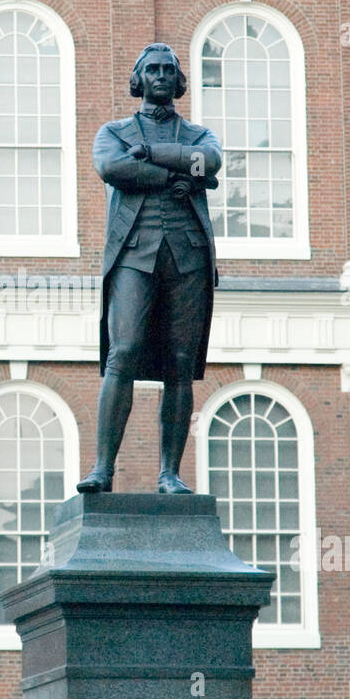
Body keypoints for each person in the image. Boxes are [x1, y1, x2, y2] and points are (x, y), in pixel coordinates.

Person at [78, 43, 222, 495]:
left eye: (168, 70)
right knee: (123, 353)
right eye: (152, 70)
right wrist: (174, 174)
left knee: (180, 364)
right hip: (134, 255)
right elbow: (111, 167)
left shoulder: (198, 134)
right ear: (138, 79)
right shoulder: (114, 131)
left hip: (188, 255)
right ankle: (103, 469)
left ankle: (170, 474)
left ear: (177, 82)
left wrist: (149, 155)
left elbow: (211, 163)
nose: (160, 76)